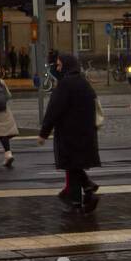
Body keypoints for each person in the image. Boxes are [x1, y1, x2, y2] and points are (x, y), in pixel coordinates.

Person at [38, 53, 100, 212]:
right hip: (85, 134)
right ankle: (87, 190)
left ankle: (76, 203)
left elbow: (53, 110)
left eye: (59, 65)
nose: (57, 68)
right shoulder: (84, 83)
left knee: (71, 166)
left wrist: (44, 133)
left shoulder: (65, 84)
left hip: (69, 134)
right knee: (74, 166)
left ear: (66, 66)